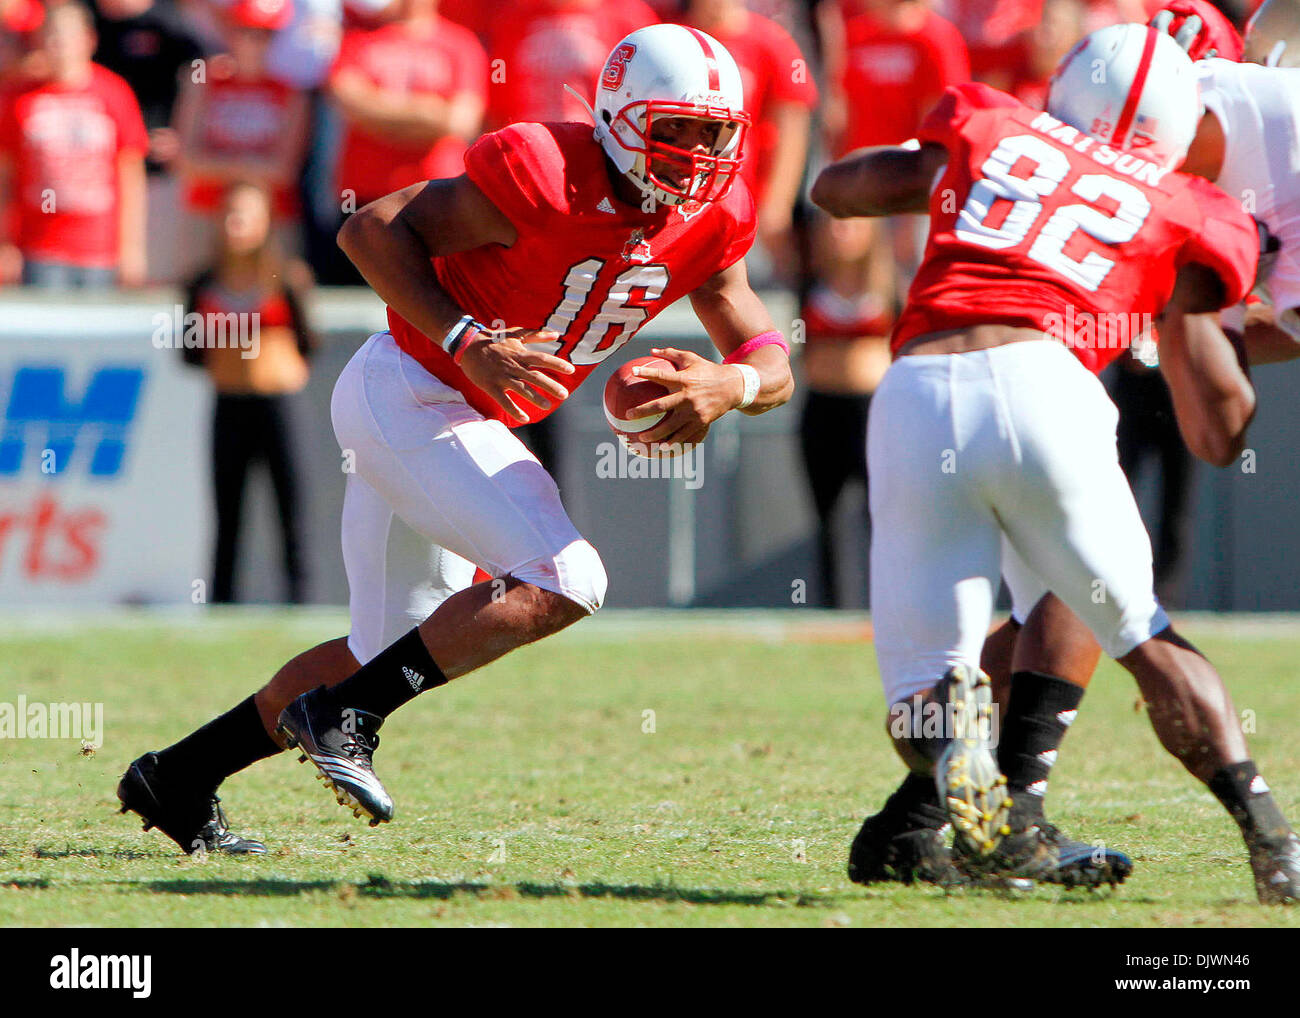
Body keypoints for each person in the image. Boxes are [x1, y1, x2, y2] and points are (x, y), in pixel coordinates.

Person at [117, 24, 794, 854]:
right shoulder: (542, 169)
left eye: (714, 132)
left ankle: (179, 775)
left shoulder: (715, 215)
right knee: (568, 575)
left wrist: (737, 383)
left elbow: (764, 346)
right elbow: (368, 229)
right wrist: (468, 337)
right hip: (411, 385)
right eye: (675, 128)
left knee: (378, 647)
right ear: (620, 118)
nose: (697, 153)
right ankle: (345, 718)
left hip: (461, 412)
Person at [812, 23, 1300, 903]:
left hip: (916, 388)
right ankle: (1270, 839)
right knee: (1143, 635)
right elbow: (1222, 422)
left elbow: (837, 189)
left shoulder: (993, 125)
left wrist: (948, 175)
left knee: (927, 689)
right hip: (1048, 385)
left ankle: (965, 763)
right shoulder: (1190, 201)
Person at [183, 181, 316, 606]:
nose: (235, 225)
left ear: (265, 223)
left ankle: (299, 602)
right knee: (228, 512)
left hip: (280, 405)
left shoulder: (287, 280)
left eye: (245, 215)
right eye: (228, 214)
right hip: (229, 405)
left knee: (292, 510)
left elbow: (308, 341)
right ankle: (222, 602)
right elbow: (189, 353)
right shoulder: (202, 284)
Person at [0, 1, 147, 288]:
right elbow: (5, 177)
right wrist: (5, 243)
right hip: (39, 247)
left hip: (99, 250)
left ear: (88, 39)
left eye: (67, 36)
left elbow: (130, 176)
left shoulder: (114, 93)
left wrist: (132, 249)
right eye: (52, 36)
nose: (60, 45)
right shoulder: (19, 98)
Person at [172, 0, 309, 280]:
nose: (253, 42)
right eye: (245, 31)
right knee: (202, 296)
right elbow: (185, 161)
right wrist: (253, 165)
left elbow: (283, 171)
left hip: (273, 215)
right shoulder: (204, 83)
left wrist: (217, 163)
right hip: (205, 210)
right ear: (230, 33)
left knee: (273, 298)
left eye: (264, 34)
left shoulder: (291, 92)